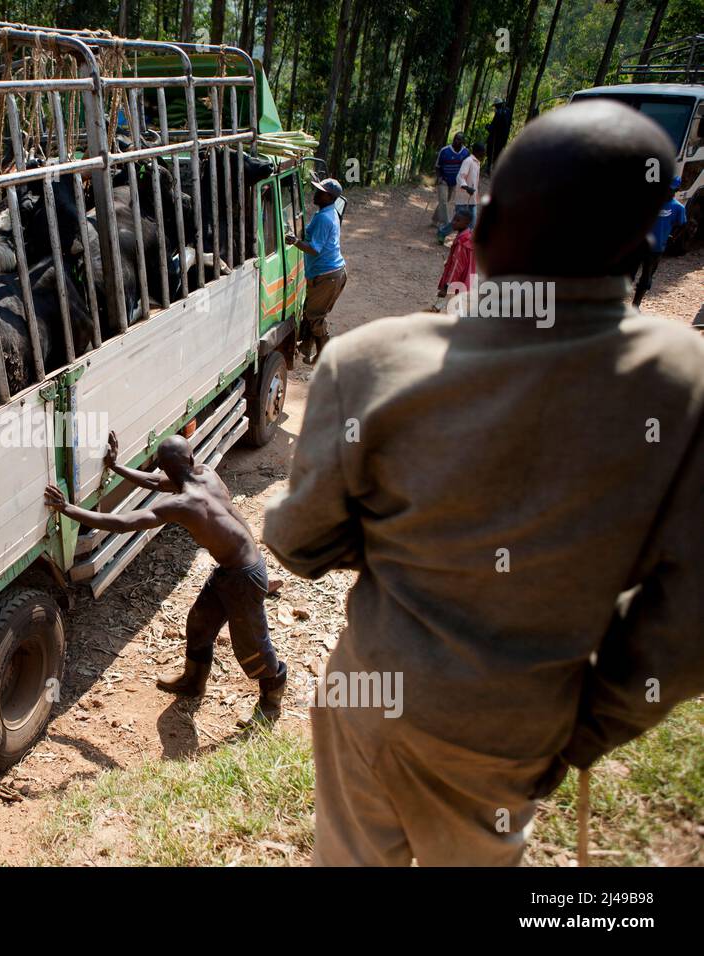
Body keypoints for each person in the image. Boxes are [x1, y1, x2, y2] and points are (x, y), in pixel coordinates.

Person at [262, 99, 704, 866]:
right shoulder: (686, 389)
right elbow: (688, 629)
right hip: (511, 733)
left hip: (370, 699)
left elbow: (300, 545)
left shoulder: (370, 361)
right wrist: (580, 731)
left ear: (486, 227)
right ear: (646, 239)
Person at [45, 431, 287, 726]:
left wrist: (67, 509)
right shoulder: (205, 473)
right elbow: (153, 482)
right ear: (190, 458)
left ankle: (271, 704)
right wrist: (116, 466)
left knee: (252, 646)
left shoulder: (181, 504)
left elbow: (122, 523)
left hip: (244, 578)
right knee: (199, 623)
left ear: (164, 466)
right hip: (238, 569)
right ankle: (192, 682)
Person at [285, 177, 346, 365]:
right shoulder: (330, 211)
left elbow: (314, 248)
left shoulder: (323, 218)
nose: (316, 194)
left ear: (329, 197)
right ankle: (307, 347)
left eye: (320, 192)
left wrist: (295, 242)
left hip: (327, 276)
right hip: (330, 274)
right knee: (312, 311)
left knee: (315, 316)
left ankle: (324, 354)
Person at [630, 175, 688, 307]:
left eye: (670, 189)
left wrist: (672, 237)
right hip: (638, 246)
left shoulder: (678, 208)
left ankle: (636, 305)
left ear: (676, 190)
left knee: (646, 277)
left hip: (656, 250)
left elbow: (682, 225)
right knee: (628, 275)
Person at [437, 142, 483, 242]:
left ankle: (465, 242)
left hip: (472, 199)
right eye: (482, 152)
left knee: (472, 222)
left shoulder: (477, 163)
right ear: (477, 151)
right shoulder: (468, 161)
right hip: (463, 197)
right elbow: (460, 177)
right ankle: (442, 232)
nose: (483, 154)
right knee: (457, 222)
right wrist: (467, 188)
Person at [433, 209, 475, 310]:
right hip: (464, 280)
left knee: (447, 307)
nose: (453, 222)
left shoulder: (462, 243)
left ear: (466, 223)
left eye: (457, 220)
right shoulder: (468, 237)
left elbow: (457, 267)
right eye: (454, 219)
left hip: (456, 282)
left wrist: (447, 287)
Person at [431, 132, 469, 230]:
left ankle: (435, 219)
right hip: (443, 180)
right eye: (455, 139)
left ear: (463, 142)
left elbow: (466, 168)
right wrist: (439, 177)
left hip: (454, 181)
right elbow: (437, 166)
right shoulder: (444, 151)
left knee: (445, 201)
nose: (456, 141)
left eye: (459, 140)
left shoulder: (465, 152)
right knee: (443, 201)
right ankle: (445, 224)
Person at [486, 98, 511, 173]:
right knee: (498, 153)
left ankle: (490, 169)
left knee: (491, 152)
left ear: (497, 105)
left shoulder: (499, 113)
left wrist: (487, 127)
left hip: (496, 138)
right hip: (503, 138)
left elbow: (493, 127)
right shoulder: (508, 111)